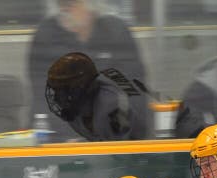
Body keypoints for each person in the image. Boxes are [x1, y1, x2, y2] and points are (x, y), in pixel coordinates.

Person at [27, 0, 146, 141]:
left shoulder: (116, 32)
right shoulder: (46, 36)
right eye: (60, 4)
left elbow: (134, 90)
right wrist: (67, 138)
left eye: (71, 4)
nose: (64, 10)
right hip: (61, 137)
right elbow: (43, 97)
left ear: (92, 5)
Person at [45, 52, 148, 141]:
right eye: (56, 90)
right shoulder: (75, 110)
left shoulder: (111, 107)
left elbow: (122, 150)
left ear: (83, 87)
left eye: (64, 90)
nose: (58, 98)